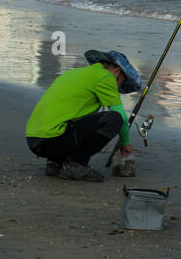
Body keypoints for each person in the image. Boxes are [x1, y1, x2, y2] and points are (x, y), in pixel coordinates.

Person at [25, 50, 141, 182]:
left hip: (35, 140)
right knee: (114, 119)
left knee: (77, 119)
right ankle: (76, 164)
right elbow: (121, 116)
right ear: (117, 71)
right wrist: (125, 143)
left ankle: (55, 163)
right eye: (121, 82)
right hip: (53, 139)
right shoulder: (105, 77)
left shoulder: (73, 73)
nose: (118, 88)